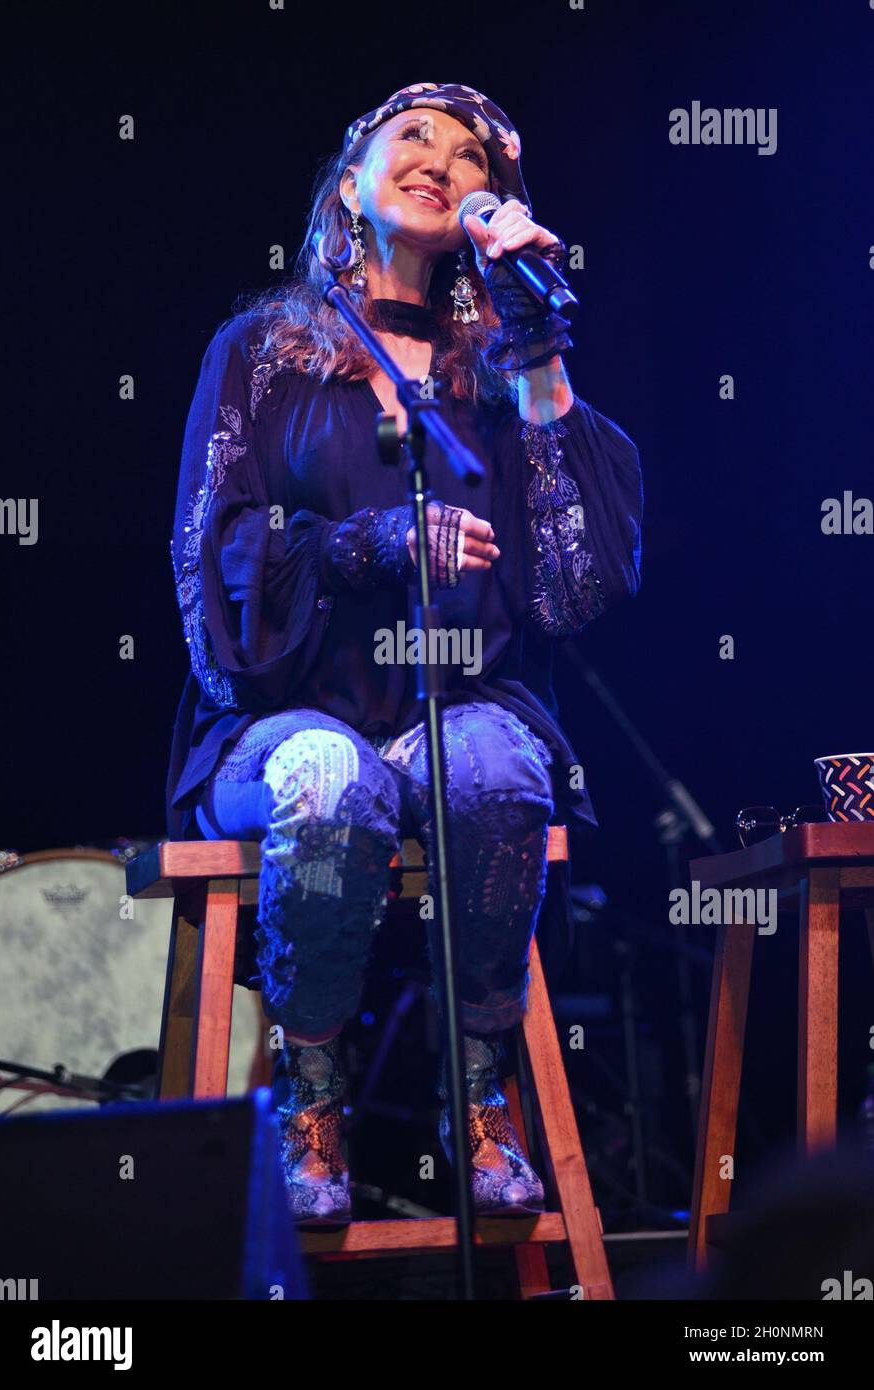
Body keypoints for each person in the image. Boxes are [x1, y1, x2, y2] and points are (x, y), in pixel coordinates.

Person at [166, 82, 643, 1227]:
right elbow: (211, 559)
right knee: (332, 782)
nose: (442, 159)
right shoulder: (262, 353)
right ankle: (313, 1100)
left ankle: (480, 1095)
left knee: (496, 771)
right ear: (348, 184)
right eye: (413, 138)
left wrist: (537, 335)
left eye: (472, 155)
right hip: (286, 717)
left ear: (492, 203)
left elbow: (575, 583)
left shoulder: (497, 365)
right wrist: (372, 544)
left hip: (456, 703)